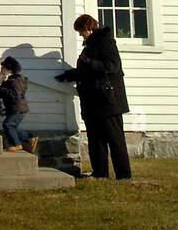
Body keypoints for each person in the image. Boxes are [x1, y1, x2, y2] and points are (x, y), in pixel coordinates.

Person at [55, 13, 132, 180]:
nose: (80, 35)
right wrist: (70, 75)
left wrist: (89, 62)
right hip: (94, 100)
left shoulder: (106, 42)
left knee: (114, 138)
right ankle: (100, 172)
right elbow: (88, 72)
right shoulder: (91, 46)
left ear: (88, 28)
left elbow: (112, 66)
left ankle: (123, 174)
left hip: (108, 99)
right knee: (95, 138)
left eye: (81, 31)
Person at [0, 56, 38, 153]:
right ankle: (29, 138)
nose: (1, 69)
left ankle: (16, 144)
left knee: (8, 125)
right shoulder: (10, 80)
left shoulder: (16, 80)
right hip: (14, 108)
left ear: (9, 70)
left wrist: (0, 87)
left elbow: (14, 94)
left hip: (18, 109)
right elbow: (1, 93)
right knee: (12, 127)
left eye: (3, 68)